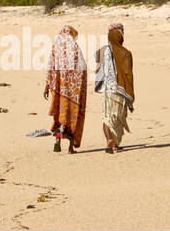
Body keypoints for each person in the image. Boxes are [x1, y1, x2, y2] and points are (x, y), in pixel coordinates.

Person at [43, 25, 87, 153]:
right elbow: (82, 67)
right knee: (73, 115)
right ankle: (70, 148)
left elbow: (51, 67)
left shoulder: (56, 46)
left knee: (60, 114)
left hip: (60, 89)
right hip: (74, 90)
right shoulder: (74, 46)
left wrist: (48, 85)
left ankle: (57, 140)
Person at [94, 22, 135, 153]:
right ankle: (115, 144)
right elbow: (128, 74)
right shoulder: (126, 53)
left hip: (106, 91)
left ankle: (109, 140)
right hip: (120, 91)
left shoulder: (102, 51)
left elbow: (97, 64)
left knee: (107, 117)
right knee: (118, 118)